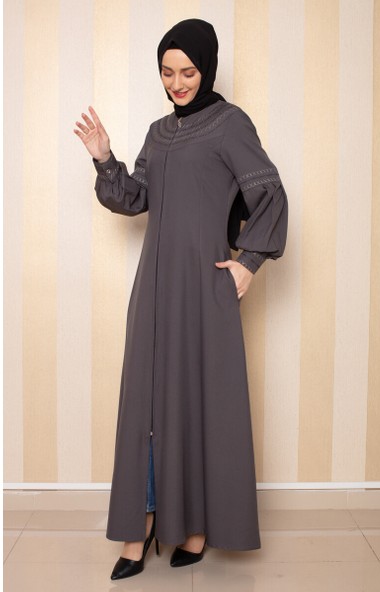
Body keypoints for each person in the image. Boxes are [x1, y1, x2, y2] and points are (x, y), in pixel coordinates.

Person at [73, 18, 288, 581]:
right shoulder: (158, 132)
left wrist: (248, 263)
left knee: (201, 402)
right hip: (153, 287)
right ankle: (141, 525)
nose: (178, 83)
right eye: (167, 73)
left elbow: (269, 192)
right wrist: (104, 157)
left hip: (204, 287)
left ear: (206, 68)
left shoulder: (230, 124)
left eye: (188, 71)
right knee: (146, 404)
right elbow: (135, 198)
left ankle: (196, 527)